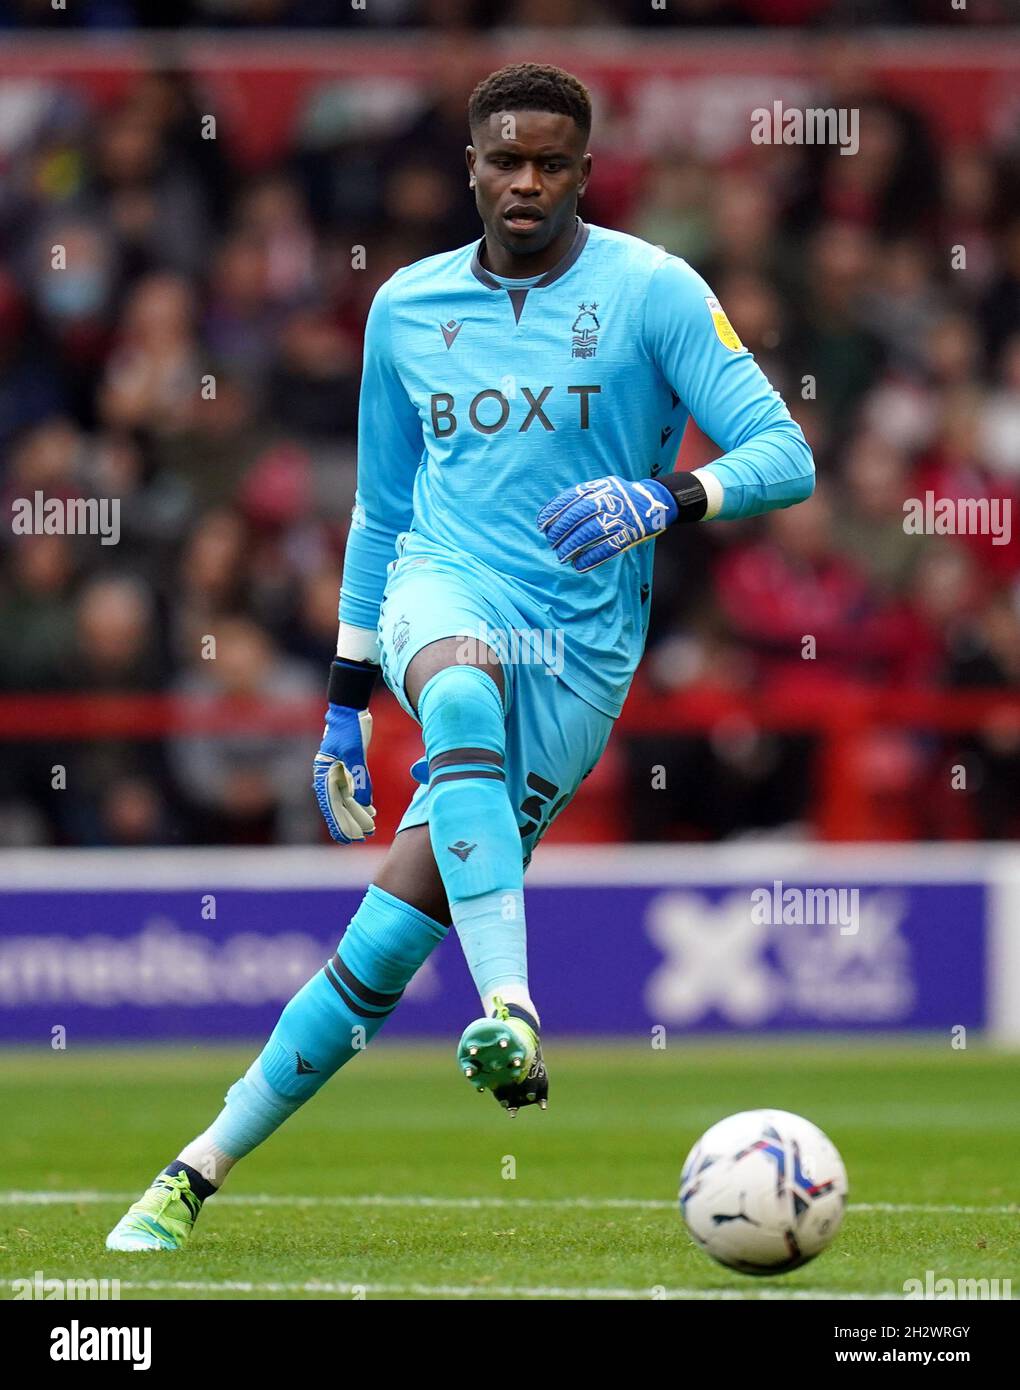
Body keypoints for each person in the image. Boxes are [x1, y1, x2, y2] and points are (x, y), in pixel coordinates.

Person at [106, 62, 814, 1252]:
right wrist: (342, 699)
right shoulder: (406, 310)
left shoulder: (654, 291)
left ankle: (195, 1165)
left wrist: (668, 496)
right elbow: (384, 515)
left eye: (551, 161)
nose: (526, 180)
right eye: (506, 159)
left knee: (385, 939)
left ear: (586, 171)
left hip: (584, 649)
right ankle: (513, 1005)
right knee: (459, 682)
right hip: (447, 587)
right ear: (471, 167)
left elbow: (784, 451)